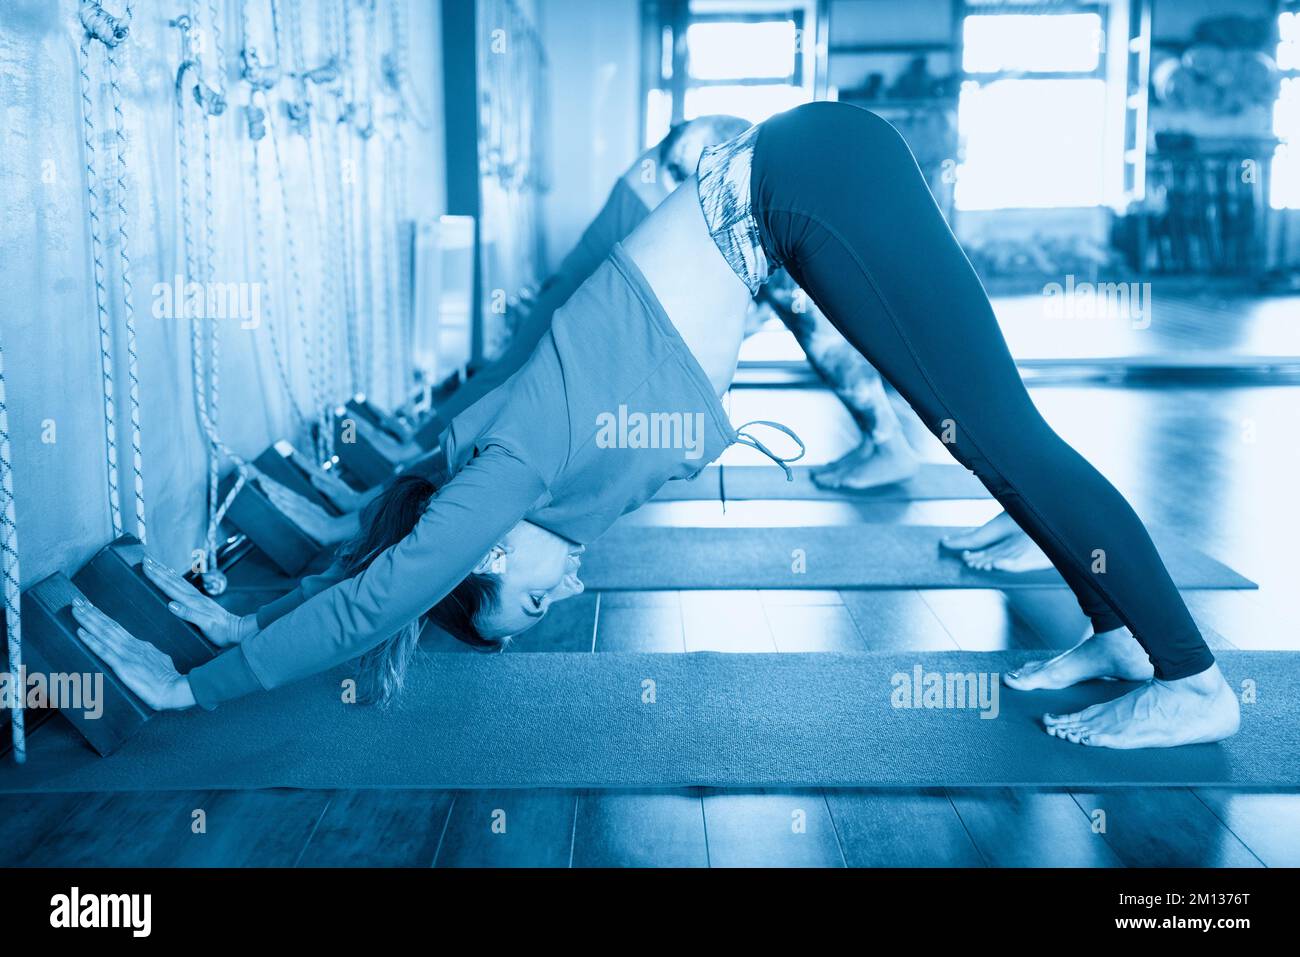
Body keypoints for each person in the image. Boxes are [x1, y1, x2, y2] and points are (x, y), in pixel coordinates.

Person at [75, 102, 1239, 750]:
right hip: (795, 195)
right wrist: (242, 601)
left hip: (806, 181)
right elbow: (369, 548)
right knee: (981, 437)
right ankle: (1121, 632)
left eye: (527, 598)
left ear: (488, 552)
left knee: (1003, 436)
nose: (560, 596)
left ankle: (1187, 676)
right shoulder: (531, 477)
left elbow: (382, 591)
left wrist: (200, 685)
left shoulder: (508, 473)